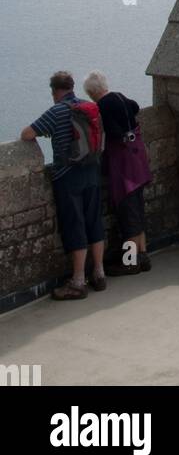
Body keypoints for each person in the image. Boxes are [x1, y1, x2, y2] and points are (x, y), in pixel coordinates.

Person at [20, 71, 106, 300]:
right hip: (92, 171)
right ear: (72, 87)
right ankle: (99, 273)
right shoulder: (89, 107)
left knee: (74, 224)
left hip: (68, 177)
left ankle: (78, 282)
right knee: (94, 220)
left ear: (55, 91)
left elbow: (26, 134)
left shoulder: (56, 111)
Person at [84, 71, 152, 275]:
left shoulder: (102, 106)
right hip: (137, 159)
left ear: (91, 93)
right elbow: (135, 107)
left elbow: (113, 132)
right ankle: (143, 256)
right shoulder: (120, 96)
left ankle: (130, 262)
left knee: (128, 214)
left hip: (123, 167)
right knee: (137, 210)